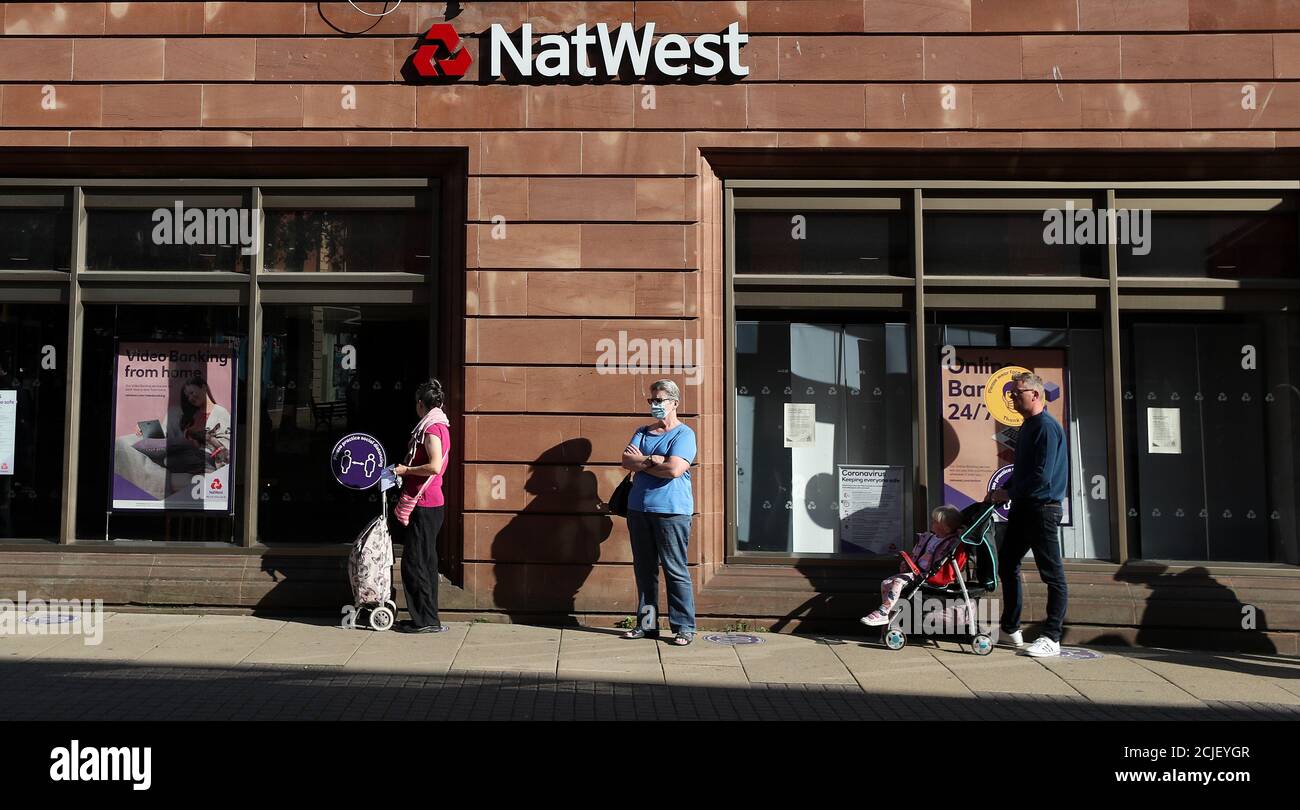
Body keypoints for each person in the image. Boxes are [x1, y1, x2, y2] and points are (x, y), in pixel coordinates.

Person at [989, 371, 1069, 658]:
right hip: (1024, 507)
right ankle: (1010, 629)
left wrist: (1009, 493)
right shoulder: (1028, 426)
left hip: (1042, 509)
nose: (1011, 397)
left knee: (1053, 574)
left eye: (1017, 392)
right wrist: (1004, 490)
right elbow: (1024, 472)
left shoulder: (1046, 427)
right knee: (1007, 562)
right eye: (1010, 392)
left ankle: (1052, 637)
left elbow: (1042, 477)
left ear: (1035, 394)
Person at [620, 379, 697, 646]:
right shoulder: (642, 431)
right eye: (651, 400)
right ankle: (647, 624)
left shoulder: (684, 435)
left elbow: (675, 470)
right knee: (645, 570)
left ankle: (684, 627)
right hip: (638, 509)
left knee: (675, 569)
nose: (655, 405)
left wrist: (646, 462)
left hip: (672, 511)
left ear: (674, 403)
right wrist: (654, 460)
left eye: (660, 400)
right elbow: (626, 460)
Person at [392, 378, 451, 634]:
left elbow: (434, 465)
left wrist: (405, 470)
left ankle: (425, 620)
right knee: (425, 561)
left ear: (420, 404)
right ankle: (427, 618)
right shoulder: (440, 425)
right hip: (432, 503)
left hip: (425, 504)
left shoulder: (431, 429)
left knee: (414, 562)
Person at [859, 505, 964, 626]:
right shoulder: (930, 537)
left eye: (935, 522)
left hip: (927, 574)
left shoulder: (950, 542)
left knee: (898, 581)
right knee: (886, 583)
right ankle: (888, 614)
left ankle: (883, 612)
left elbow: (942, 562)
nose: (931, 523)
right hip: (915, 571)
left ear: (945, 527)